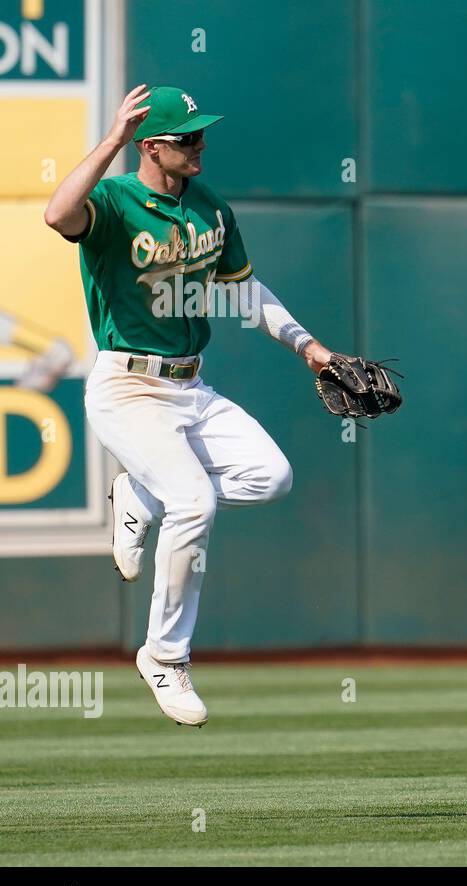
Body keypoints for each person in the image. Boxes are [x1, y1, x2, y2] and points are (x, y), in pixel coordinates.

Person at [43, 84, 341, 727]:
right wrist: (112, 141)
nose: (200, 145)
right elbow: (57, 214)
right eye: (186, 138)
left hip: (190, 387)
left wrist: (309, 348)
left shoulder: (210, 206)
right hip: (127, 386)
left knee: (271, 477)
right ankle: (164, 656)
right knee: (196, 501)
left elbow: (245, 291)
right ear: (150, 146)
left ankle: (141, 496)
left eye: (201, 134)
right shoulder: (117, 200)